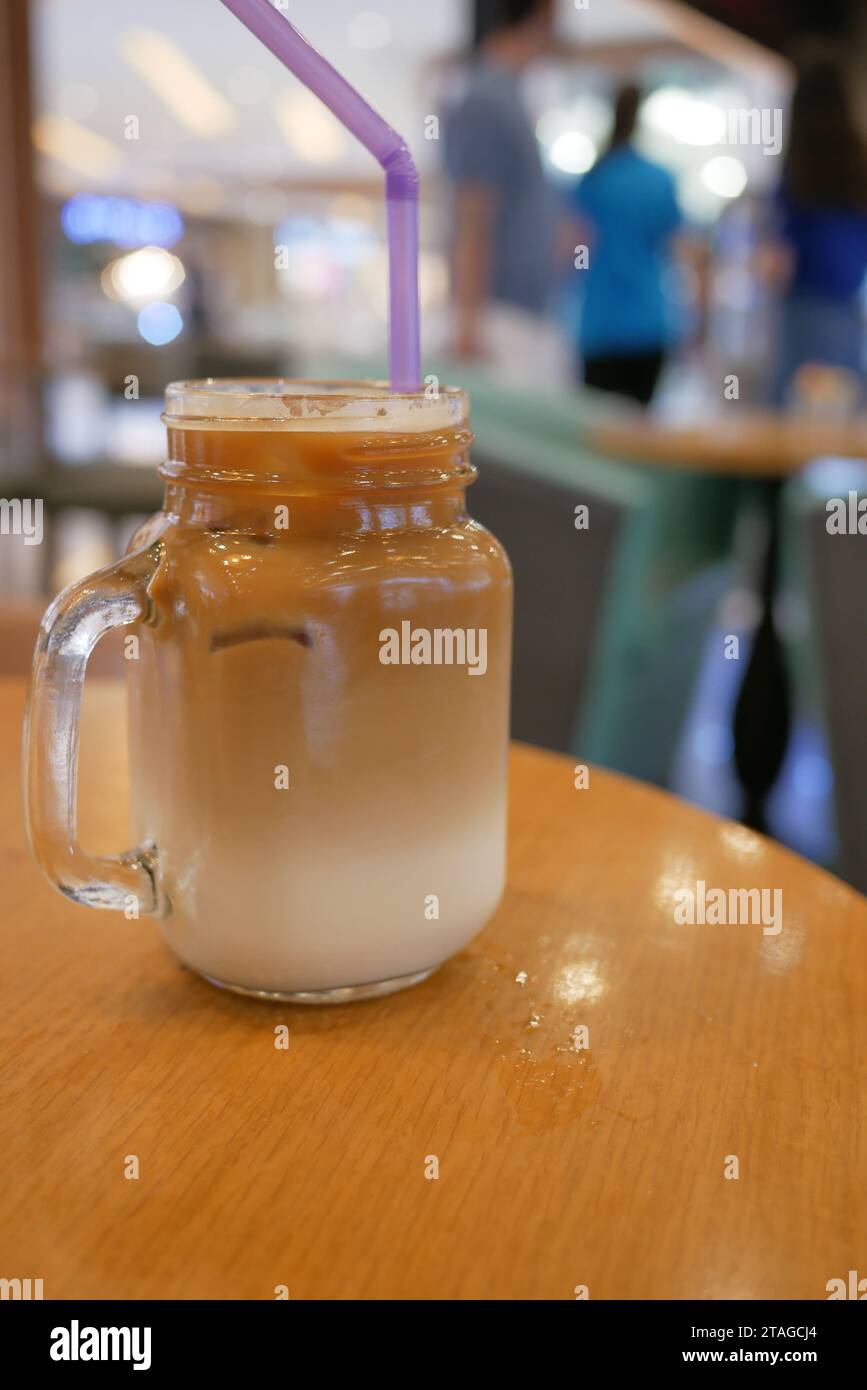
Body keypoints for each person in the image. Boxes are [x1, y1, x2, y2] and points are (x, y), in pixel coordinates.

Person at [443, 0, 566, 383]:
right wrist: (468, 324)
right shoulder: (487, 100)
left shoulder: (506, 97)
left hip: (515, 314)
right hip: (498, 322)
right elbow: (473, 213)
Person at [570, 84, 683, 406]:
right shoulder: (660, 180)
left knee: (597, 433)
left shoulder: (594, 178)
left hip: (600, 324)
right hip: (649, 324)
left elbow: (574, 248)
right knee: (640, 433)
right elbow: (680, 249)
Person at [767, 54, 867, 404]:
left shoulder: (799, 168)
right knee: (844, 421)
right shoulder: (858, 162)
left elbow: (780, 262)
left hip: (805, 312)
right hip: (848, 310)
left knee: (792, 423)